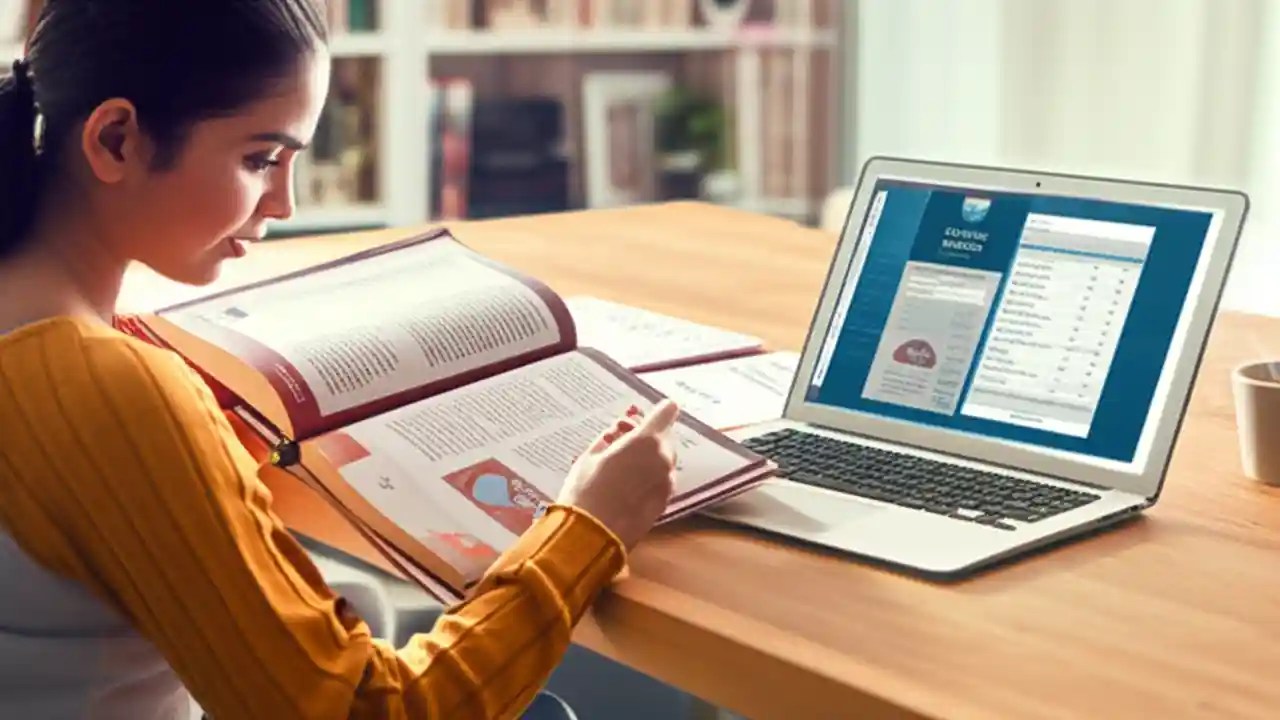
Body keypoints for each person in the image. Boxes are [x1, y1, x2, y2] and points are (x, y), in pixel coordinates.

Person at [0, 1, 680, 718]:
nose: (284, 203)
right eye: (260, 159)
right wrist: (587, 528)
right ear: (115, 140)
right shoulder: (105, 389)